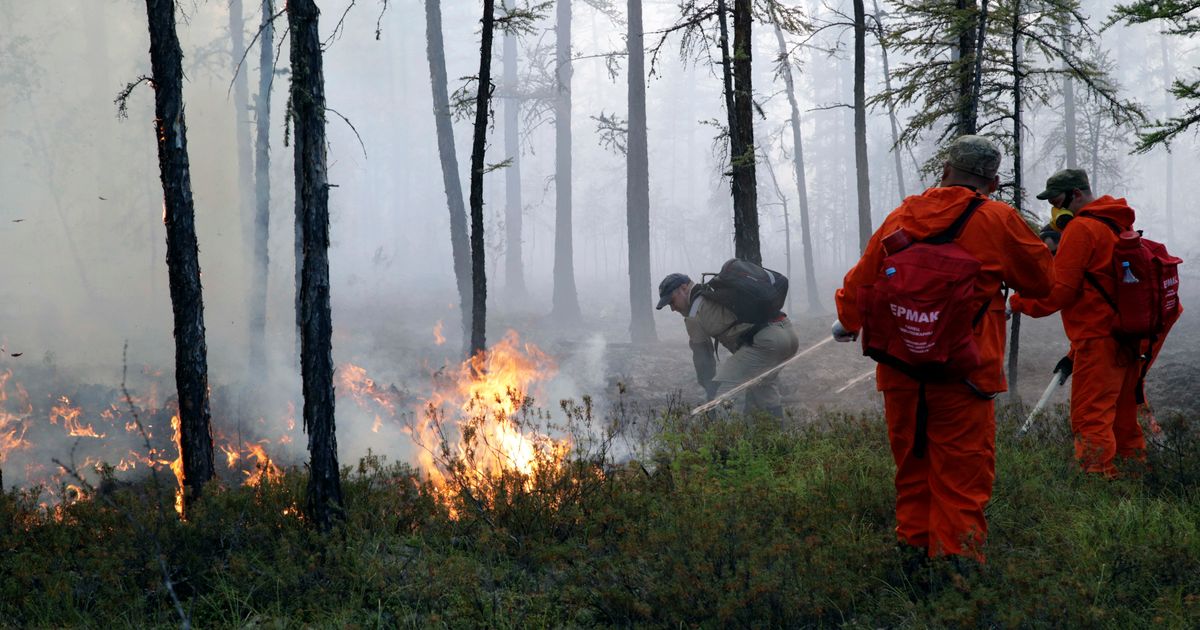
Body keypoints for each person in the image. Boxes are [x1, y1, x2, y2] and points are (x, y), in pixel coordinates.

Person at [832, 135, 1055, 562]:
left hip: (900, 371)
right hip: (965, 374)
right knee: (961, 477)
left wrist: (848, 321)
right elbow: (1042, 283)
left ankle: (913, 559)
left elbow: (862, 280)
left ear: (946, 170)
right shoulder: (998, 219)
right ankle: (957, 579)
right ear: (991, 181)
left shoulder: (904, 214)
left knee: (912, 468)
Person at [1010, 169, 1173, 477]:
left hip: (1098, 340)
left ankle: (1097, 483)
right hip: (1128, 336)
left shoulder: (1082, 229)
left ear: (1077, 194)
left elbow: (1059, 291)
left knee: (1090, 415)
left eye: (1058, 200)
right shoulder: (1116, 224)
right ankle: (1134, 477)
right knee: (1124, 415)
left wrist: (1017, 303)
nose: (1055, 208)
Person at [656, 271, 800, 416]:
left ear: (684, 288)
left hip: (767, 342)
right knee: (763, 386)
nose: (673, 308)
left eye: (672, 301)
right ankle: (776, 434)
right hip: (788, 333)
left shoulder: (694, 315)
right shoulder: (713, 290)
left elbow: (703, 359)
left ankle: (720, 437)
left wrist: (710, 388)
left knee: (722, 392)